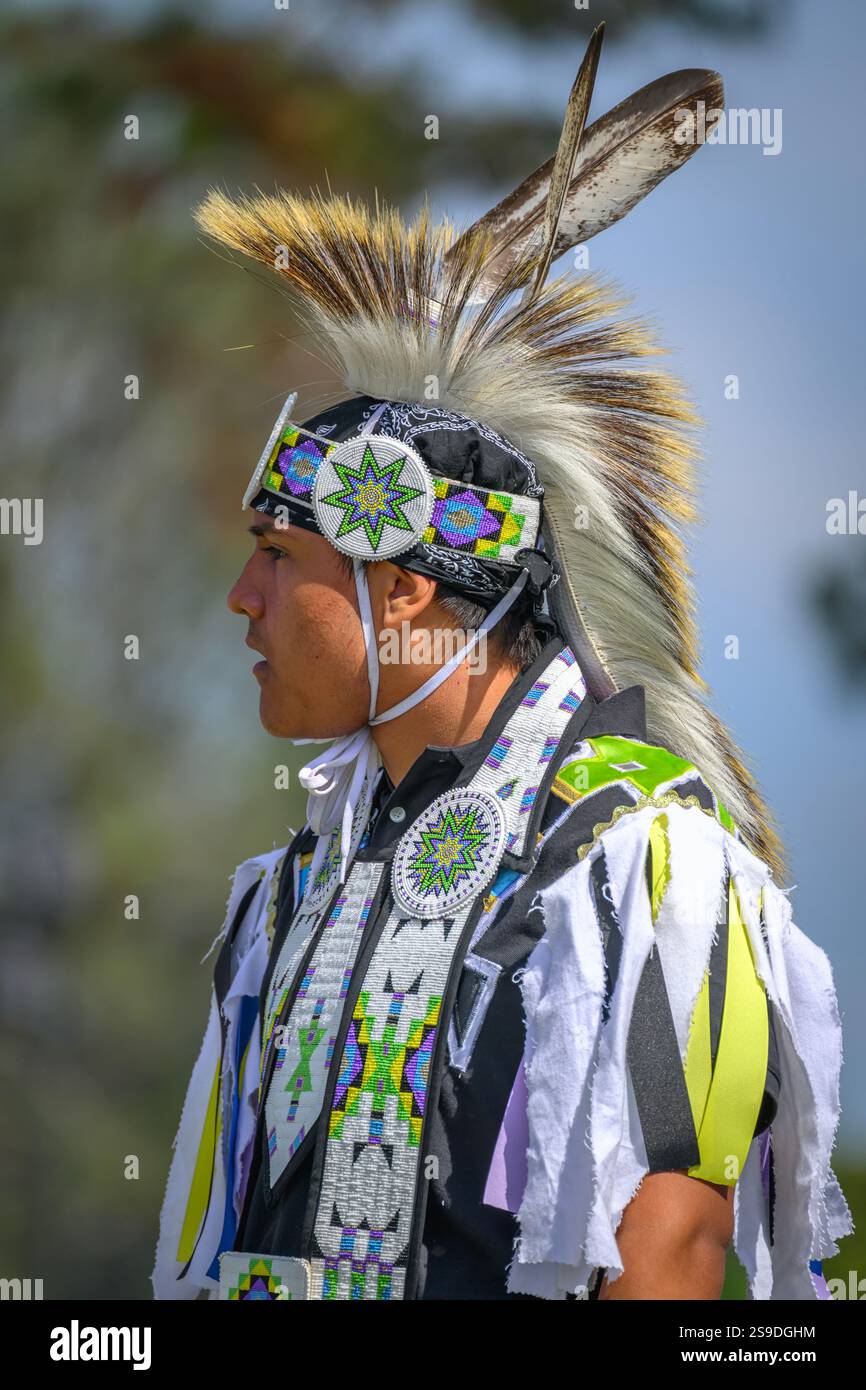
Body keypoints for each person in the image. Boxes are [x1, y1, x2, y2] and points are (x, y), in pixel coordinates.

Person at [152, 27, 851, 1301]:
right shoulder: (292, 889)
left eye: (276, 556)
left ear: (402, 583)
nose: (241, 598)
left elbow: (670, 1258)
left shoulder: (645, 868)